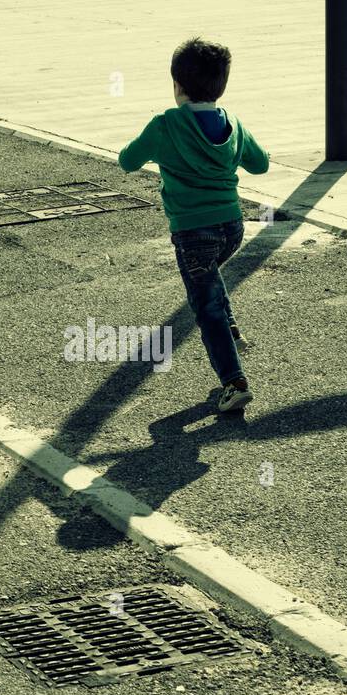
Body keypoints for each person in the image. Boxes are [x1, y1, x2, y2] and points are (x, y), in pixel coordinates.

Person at [118, 38, 271, 413]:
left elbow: (127, 161)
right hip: (232, 228)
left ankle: (234, 382)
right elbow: (260, 164)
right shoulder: (233, 124)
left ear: (177, 85)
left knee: (206, 308)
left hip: (193, 232)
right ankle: (231, 328)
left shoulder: (165, 125)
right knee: (211, 284)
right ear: (222, 85)